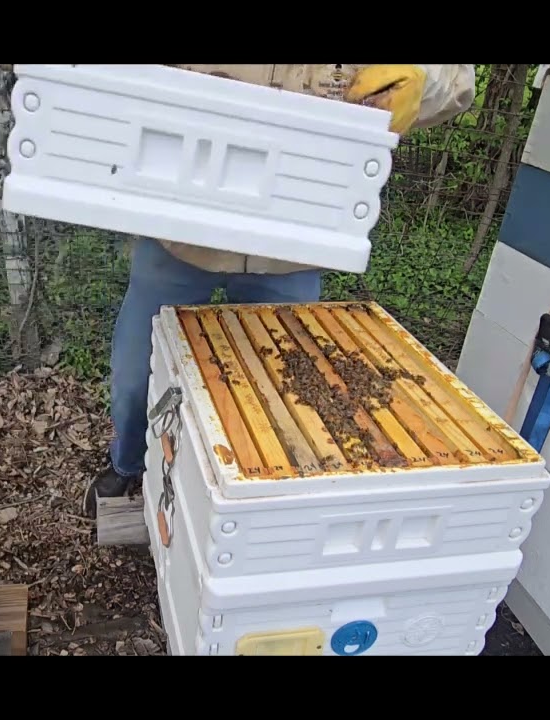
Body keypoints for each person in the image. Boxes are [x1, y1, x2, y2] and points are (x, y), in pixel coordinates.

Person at [85, 64, 478, 517]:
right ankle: (129, 464)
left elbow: (459, 80)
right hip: (181, 232)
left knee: (280, 392)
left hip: (294, 244)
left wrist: (421, 80)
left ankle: (245, 495)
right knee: (137, 377)